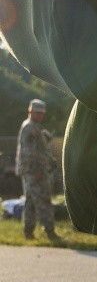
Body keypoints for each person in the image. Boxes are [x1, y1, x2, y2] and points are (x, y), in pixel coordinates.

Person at [14, 98, 61, 244]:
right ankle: (50, 232)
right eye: (37, 112)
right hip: (34, 172)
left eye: (42, 113)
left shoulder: (34, 127)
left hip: (33, 171)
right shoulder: (30, 127)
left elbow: (39, 149)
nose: (40, 115)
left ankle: (28, 232)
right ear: (30, 111)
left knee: (31, 202)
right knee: (43, 200)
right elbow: (29, 153)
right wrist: (36, 172)